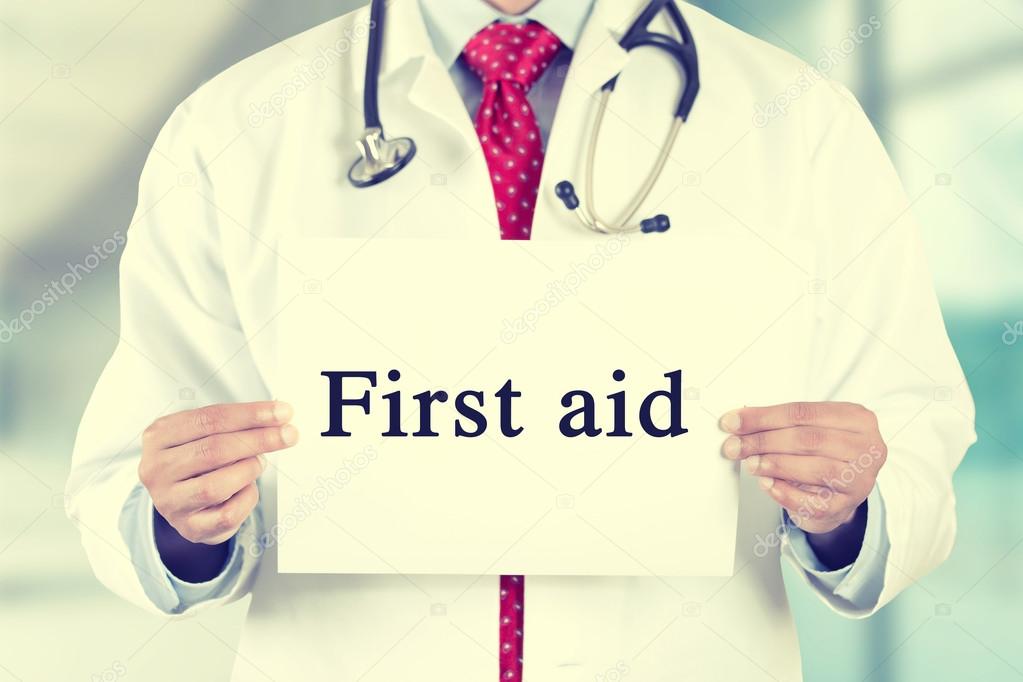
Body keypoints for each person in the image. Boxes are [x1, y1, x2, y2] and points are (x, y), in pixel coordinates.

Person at [66, 0, 976, 680]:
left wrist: (849, 506)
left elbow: (911, 431)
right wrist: (183, 524)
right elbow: (127, 471)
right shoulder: (233, 126)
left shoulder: (797, 119)